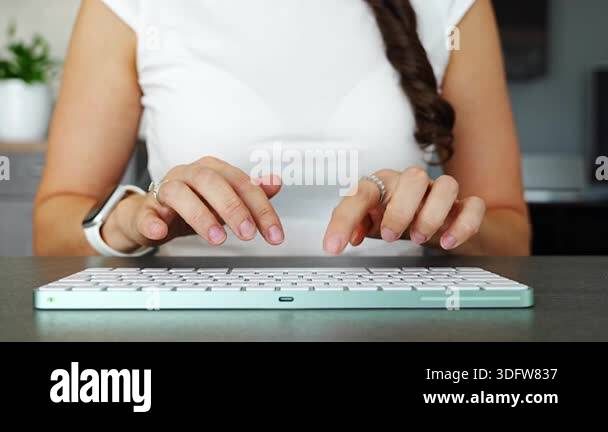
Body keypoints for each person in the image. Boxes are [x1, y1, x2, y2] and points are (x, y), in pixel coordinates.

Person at [33, 0, 531, 257]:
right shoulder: (129, 6)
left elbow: (511, 235)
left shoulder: (452, 7)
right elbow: (53, 227)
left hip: (401, 327)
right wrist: (127, 222)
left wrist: (443, 226)